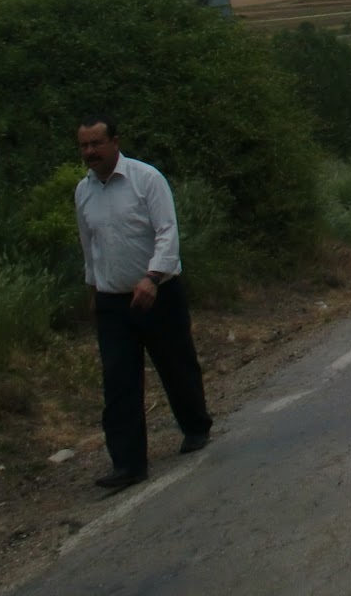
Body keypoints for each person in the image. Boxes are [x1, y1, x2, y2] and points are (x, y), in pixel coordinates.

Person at [75, 116, 214, 491]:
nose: (90, 152)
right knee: (118, 380)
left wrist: (152, 278)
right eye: (84, 146)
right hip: (112, 301)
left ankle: (196, 426)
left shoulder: (146, 179)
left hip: (158, 294)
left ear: (115, 142)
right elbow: (91, 248)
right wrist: (94, 291)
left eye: (96, 144)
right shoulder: (83, 192)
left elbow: (168, 232)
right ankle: (129, 464)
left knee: (175, 364)